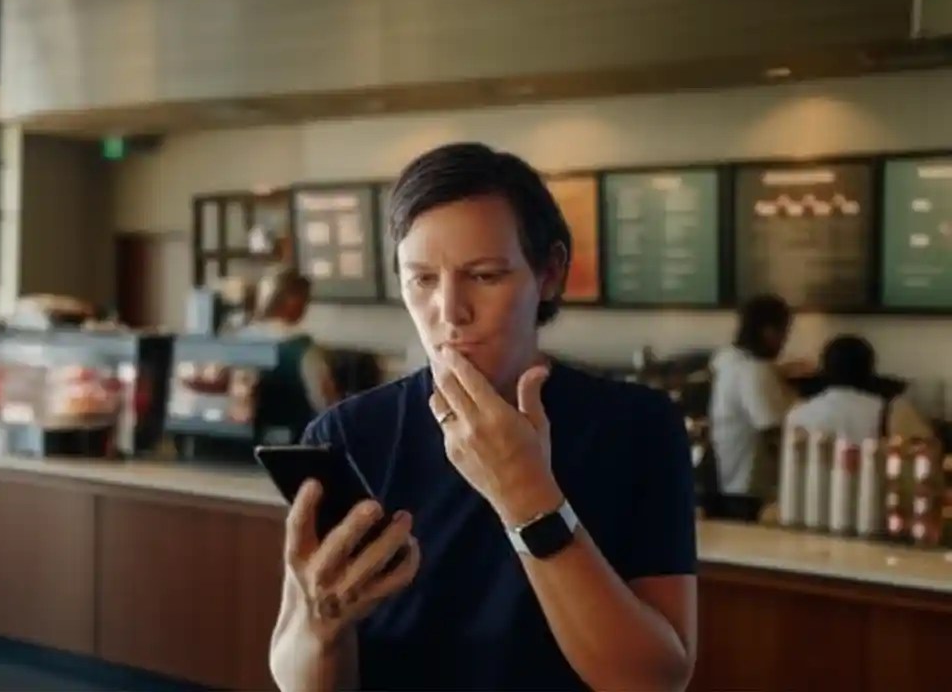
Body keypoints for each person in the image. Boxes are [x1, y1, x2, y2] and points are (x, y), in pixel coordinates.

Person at [269, 143, 696, 691]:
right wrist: (320, 624)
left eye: (485, 276)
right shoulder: (347, 435)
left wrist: (526, 492)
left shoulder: (637, 427)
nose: (450, 312)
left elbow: (653, 682)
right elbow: (294, 675)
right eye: (421, 279)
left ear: (549, 274)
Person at [708, 294, 806, 500]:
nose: (784, 343)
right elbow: (774, 430)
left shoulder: (729, 361)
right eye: (784, 333)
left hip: (730, 482)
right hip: (752, 489)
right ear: (769, 332)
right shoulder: (754, 372)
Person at [239, 268, 340, 435]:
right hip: (293, 446)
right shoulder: (303, 350)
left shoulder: (240, 341)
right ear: (293, 301)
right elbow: (326, 405)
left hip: (240, 445)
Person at [786, 335, 934, 443]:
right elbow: (926, 448)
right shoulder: (887, 411)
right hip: (871, 485)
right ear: (869, 370)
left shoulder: (797, 413)